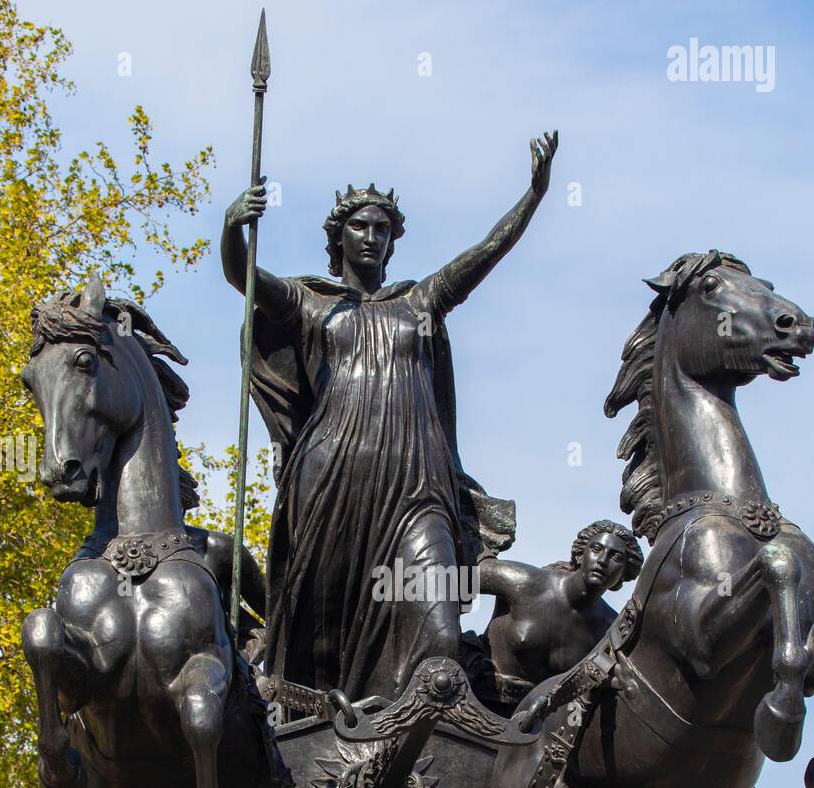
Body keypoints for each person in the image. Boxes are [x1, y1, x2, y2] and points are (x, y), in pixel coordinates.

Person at [220, 132, 558, 701]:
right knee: (316, 635)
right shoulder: (311, 304)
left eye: (383, 229)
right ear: (339, 236)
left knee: (439, 626)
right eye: (361, 226)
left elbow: (484, 255)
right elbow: (243, 277)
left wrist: (534, 195)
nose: (373, 237)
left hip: (417, 486)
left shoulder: (418, 302)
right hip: (331, 481)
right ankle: (311, 737)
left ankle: (422, 745)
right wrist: (233, 226)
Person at [467, 519, 644, 709]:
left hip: (537, 727)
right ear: (579, 555)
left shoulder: (610, 630)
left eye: (615, 557)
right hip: (471, 701)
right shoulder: (524, 582)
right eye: (596, 549)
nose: (602, 561)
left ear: (624, 574)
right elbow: (447, 582)